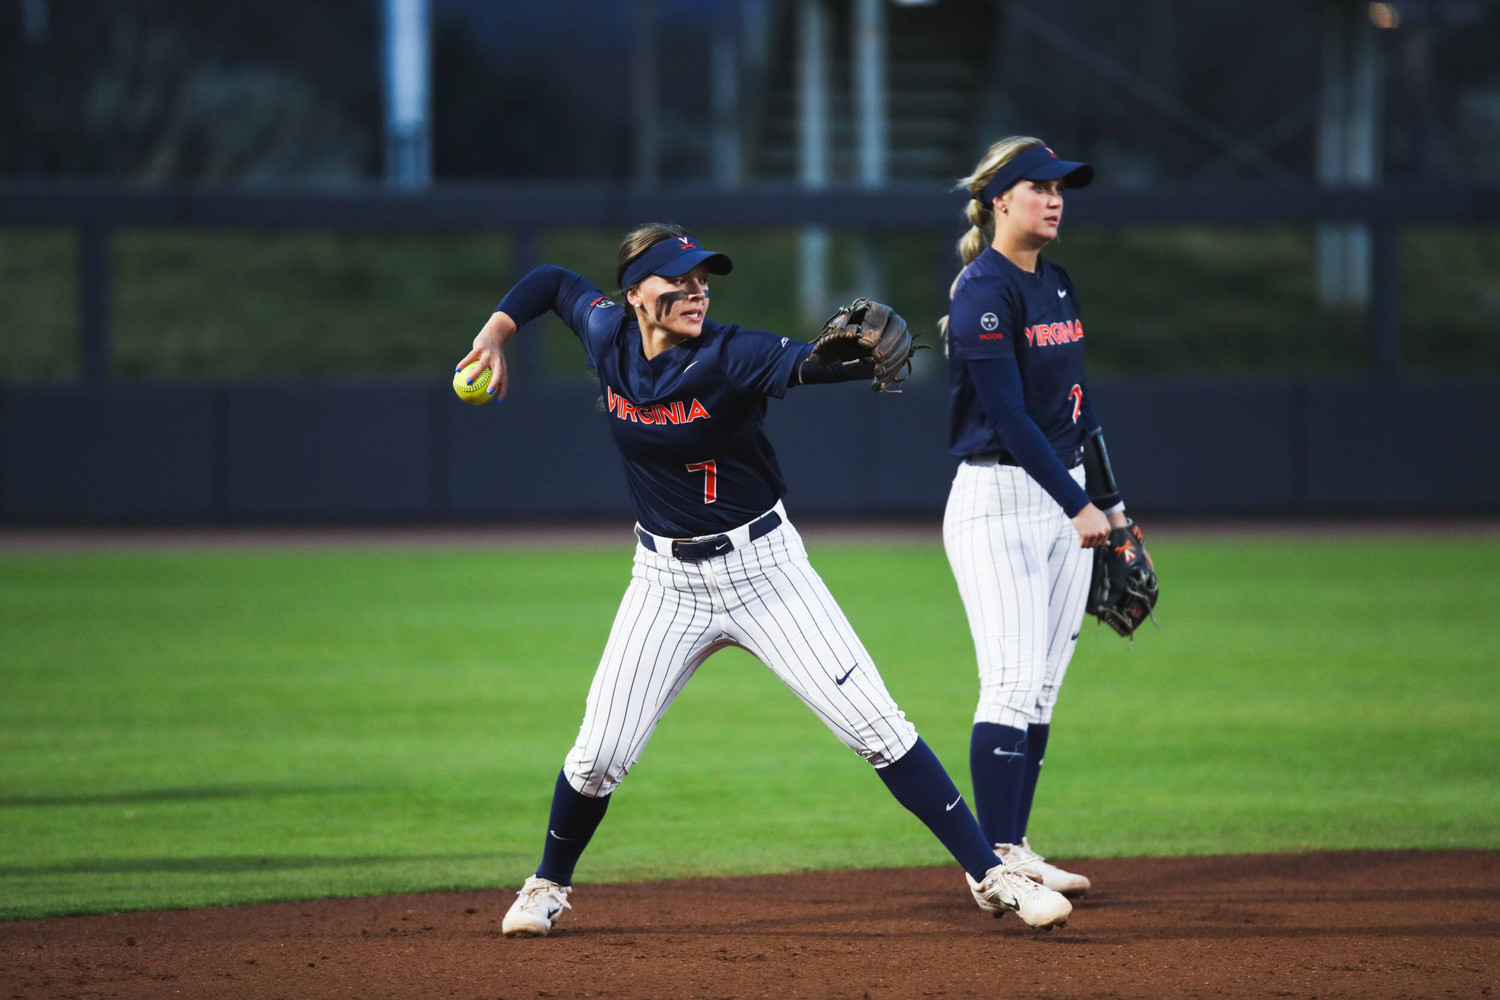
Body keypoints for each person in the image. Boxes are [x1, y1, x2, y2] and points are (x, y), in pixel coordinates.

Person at [457, 223, 1074, 937]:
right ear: (634, 296)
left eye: (702, 280)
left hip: (765, 574)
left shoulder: (732, 352)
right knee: (598, 755)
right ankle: (546, 885)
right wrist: (496, 332)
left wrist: (847, 360)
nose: (695, 291)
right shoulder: (606, 335)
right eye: (677, 281)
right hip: (663, 582)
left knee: (877, 728)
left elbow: (809, 366)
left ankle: (992, 875)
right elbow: (551, 282)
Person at [940, 138, 1133, 898]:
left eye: (1061, 189)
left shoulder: (1056, 284)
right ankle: (989, 865)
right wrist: (1079, 503)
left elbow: (1076, 409)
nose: (1054, 200)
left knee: (1043, 687)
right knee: (1011, 682)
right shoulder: (982, 290)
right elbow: (1010, 417)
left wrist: (1110, 507)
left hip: (1066, 498)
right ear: (998, 201)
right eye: (1038, 187)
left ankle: (1014, 845)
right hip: (1001, 503)